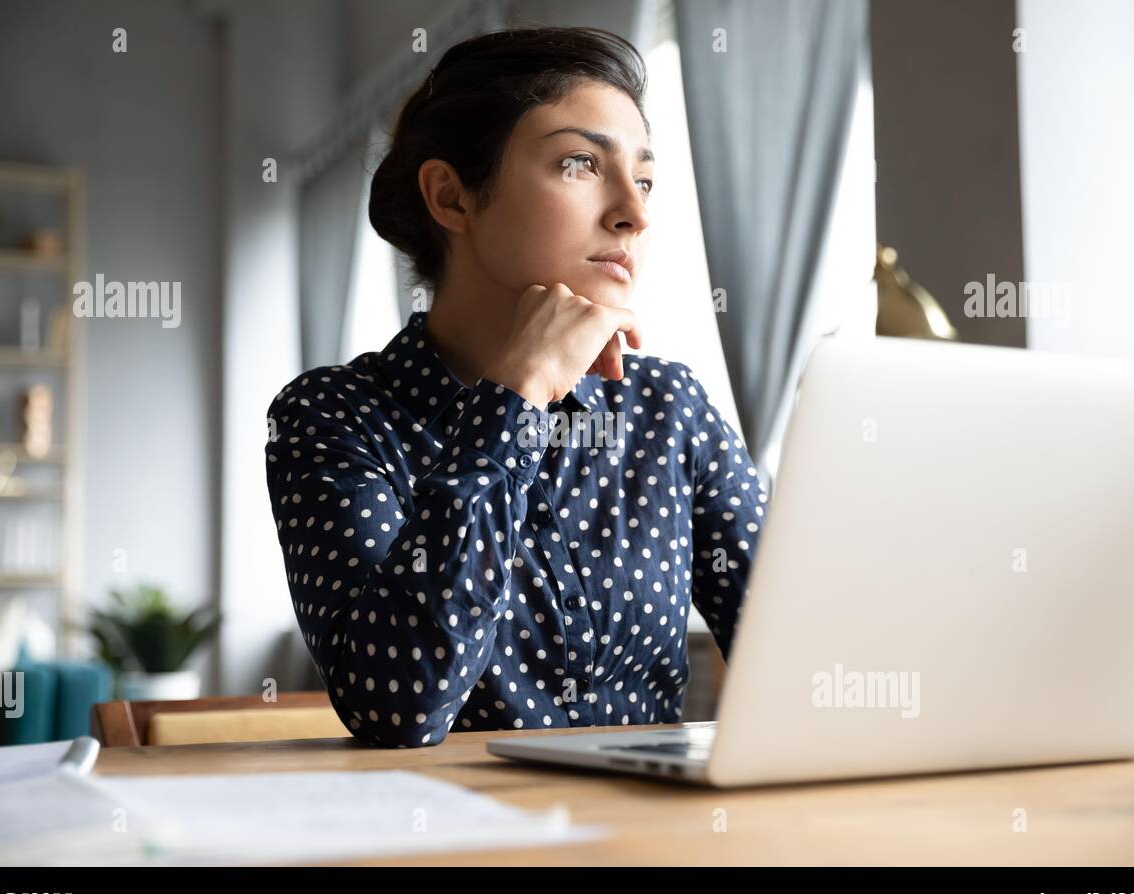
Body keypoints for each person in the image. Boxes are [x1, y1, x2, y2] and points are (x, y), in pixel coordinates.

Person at [266, 26, 766, 747]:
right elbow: (397, 708)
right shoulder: (333, 417)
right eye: (579, 164)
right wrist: (515, 397)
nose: (635, 210)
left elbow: (798, 661)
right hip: (447, 845)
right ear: (453, 198)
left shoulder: (667, 409)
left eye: (646, 177)